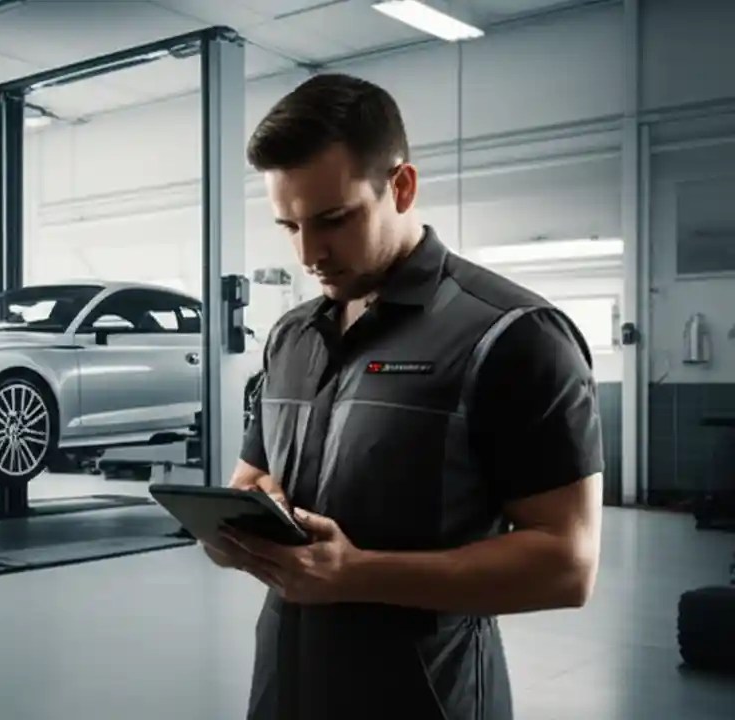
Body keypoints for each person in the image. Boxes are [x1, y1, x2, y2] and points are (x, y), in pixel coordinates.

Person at [201, 73, 605, 719]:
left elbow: (567, 564)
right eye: (289, 225)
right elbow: (251, 478)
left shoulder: (515, 336)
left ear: (402, 186)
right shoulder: (290, 337)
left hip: (427, 698)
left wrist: (354, 573)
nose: (309, 252)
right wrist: (239, 529)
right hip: (284, 689)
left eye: (333, 220)